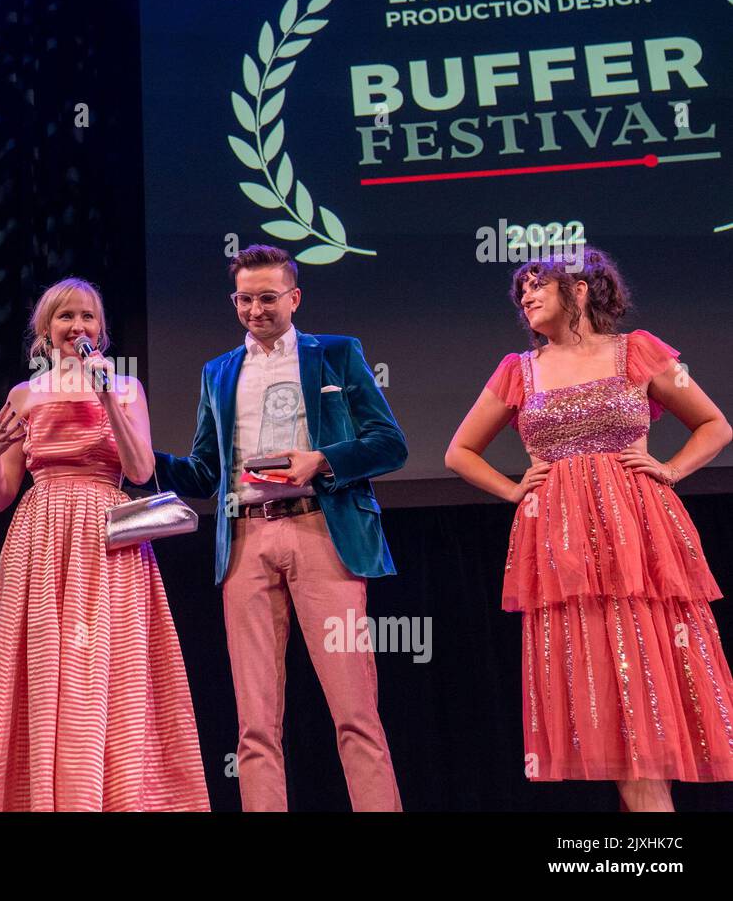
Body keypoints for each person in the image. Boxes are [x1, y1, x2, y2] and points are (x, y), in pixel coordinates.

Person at [446, 245, 733, 811]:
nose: (525, 296)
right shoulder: (517, 369)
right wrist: (515, 489)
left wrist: (671, 469)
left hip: (641, 538)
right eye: (521, 289)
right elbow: (460, 452)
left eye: (538, 284)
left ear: (579, 290)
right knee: (612, 693)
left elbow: (713, 424)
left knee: (649, 684)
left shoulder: (638, 351)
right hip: (564, 546)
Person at [151, 244, 406, 812]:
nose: (256, 309)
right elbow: (204, 472)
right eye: (245, 298)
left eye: (268, 297)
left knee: (355, 710)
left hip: (321, 531)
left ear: (294, 297)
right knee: (255, 721)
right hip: (245, 540)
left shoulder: (337, 354)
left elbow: (391, 444)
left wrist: (323, 460)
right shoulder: (217, 371)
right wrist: (141, 459)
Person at [0, 277, 209, 811]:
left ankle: (110, 794)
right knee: (38, 667)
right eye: (66, 317)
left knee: (106, 667)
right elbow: (1, 494)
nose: (78, 327)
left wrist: (107, 398)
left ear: (101, 328)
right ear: (45, 330)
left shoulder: (125, 388)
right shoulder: (24, 395)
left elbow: (142, 469)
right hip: (41, 534)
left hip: (107, 533)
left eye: (88, 317)